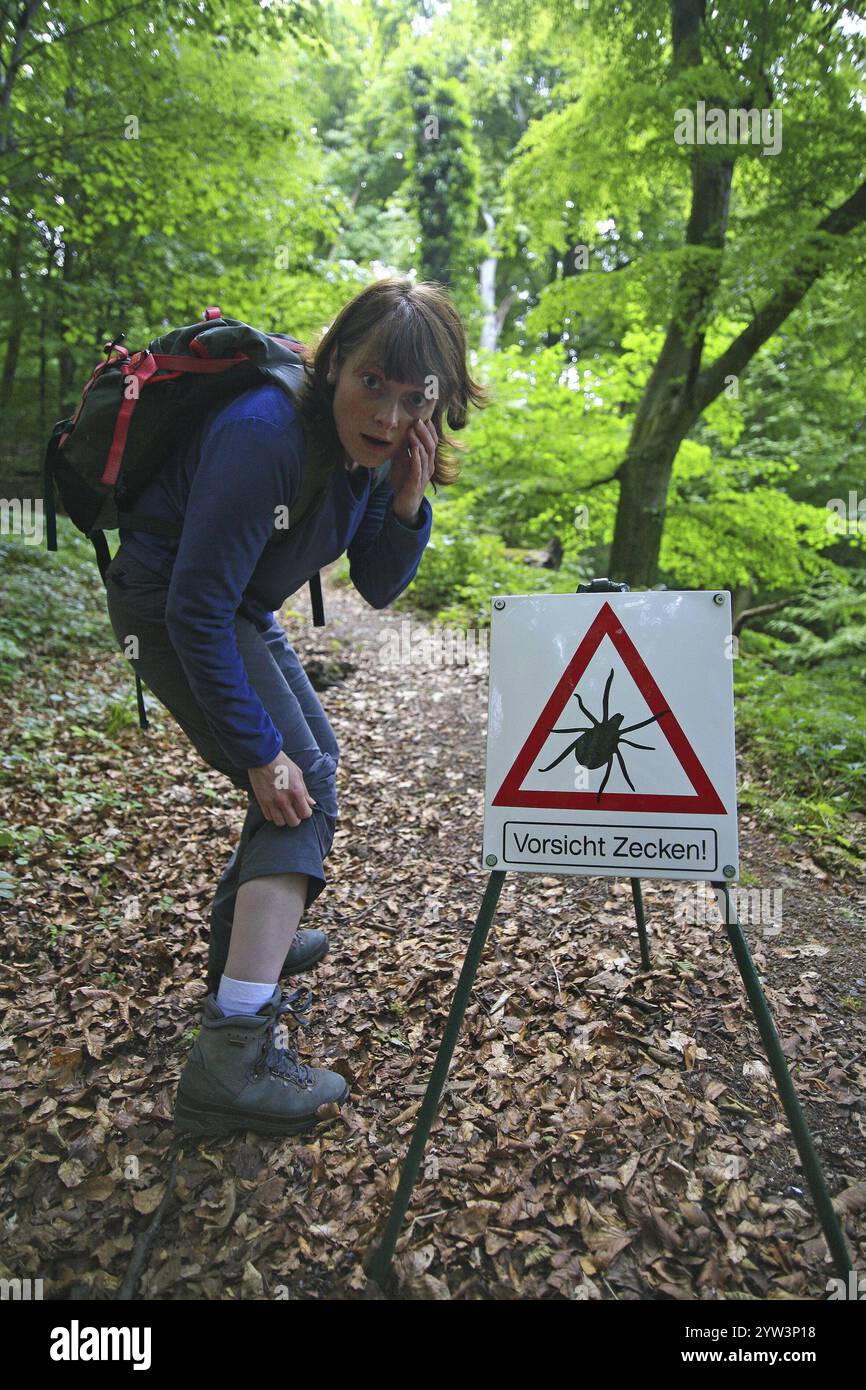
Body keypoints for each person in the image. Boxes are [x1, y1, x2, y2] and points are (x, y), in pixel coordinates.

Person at [103, 275, 488, 1139]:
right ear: (335, 361)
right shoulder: (265, 433)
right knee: (292, 771)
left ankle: (246, 934)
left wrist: (407, 497)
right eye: (373, 382)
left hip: (237, 605)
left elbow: (381, 587)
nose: (389, 413)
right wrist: (257, 753)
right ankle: (232, 1055)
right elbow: (193, 609)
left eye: (415, 396)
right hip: (171, 603)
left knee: (314, 758)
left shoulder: (374, 451)